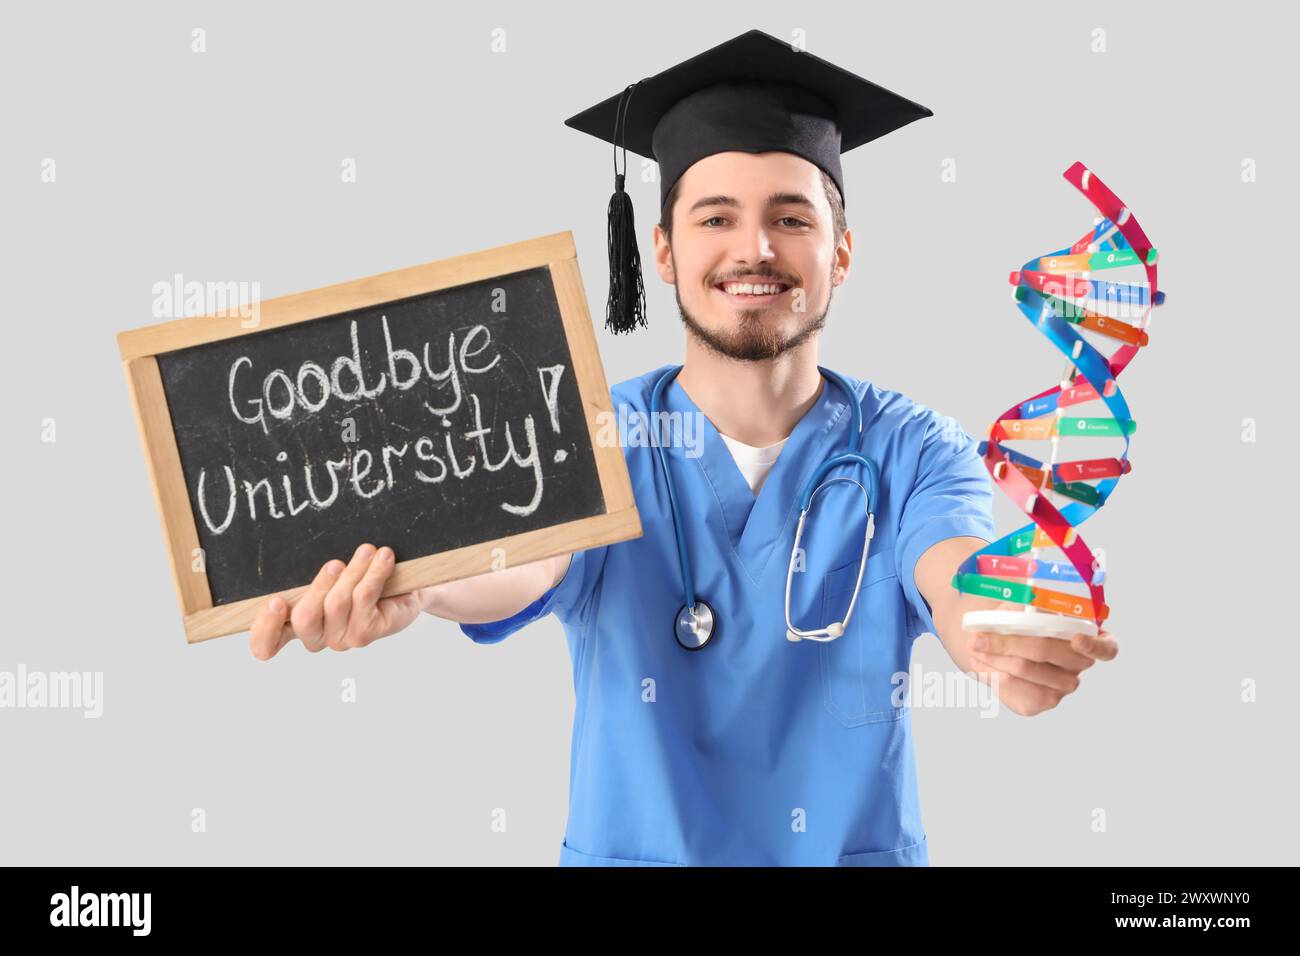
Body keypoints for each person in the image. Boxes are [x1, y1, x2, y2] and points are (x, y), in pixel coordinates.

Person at [248, 30, 1118, 866]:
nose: (755, 249)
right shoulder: (591, 433)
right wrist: (425, 582)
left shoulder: (914, 447)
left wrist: (997, 631)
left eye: (791, 217)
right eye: (715, 219)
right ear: (661, 250)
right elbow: (523, 559)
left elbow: (955, 566)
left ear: (841, 253)